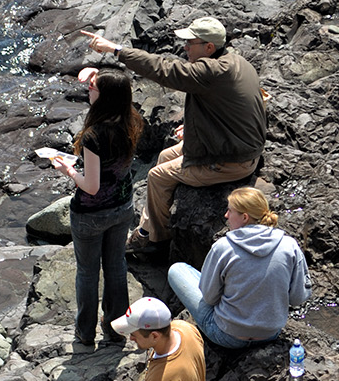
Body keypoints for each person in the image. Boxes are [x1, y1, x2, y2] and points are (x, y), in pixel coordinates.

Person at [81, 16, 266, 253]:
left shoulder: (211, 71)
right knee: (166, 156)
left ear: (209, 47)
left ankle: (152, 237)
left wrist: (116, 50)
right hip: (237, 144)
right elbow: (231, 107)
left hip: (232, 160)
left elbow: (164, 69)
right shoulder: (235, 61)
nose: (185, 47)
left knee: (157, 176)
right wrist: (195, 126)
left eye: (191, 43)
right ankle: (159, 219)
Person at [52, 66, 144, 346]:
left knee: (88, 272)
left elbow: (91, 185)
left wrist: (66, 169)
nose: (88, 91)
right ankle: (117, 330)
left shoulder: (94, 136)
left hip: (92, 213)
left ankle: (85, 332)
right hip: (123, 205)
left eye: (93, 88)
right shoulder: (132, 120)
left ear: (104, 97)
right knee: (116, 265)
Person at [167, 187, 309, 348]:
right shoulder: (289, 246)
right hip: (270, 334)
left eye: (230, 211)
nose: (226, 215)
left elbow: (209, 298)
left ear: (244, 217)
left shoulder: (223, 247)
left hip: (226, 337)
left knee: (177, 270)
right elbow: (299, 297)